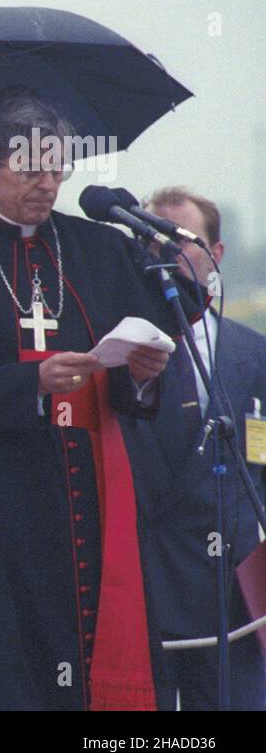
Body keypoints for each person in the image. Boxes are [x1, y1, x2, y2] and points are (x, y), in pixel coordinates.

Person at [0, 85, 195, 710]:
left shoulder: (103, 247)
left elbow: (139, 361)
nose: (47, 183)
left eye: (57, 167)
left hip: (90, 484)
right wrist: (32, 382)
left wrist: (139, 372)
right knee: (6, 661)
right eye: (31, 168)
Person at [119, 187, 265, 710]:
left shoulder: (254, 354)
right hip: (142, 581)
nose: (166, 253)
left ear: (216, 254)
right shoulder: (114, 350)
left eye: (183, 241)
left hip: (231, 591)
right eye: (152, 239)